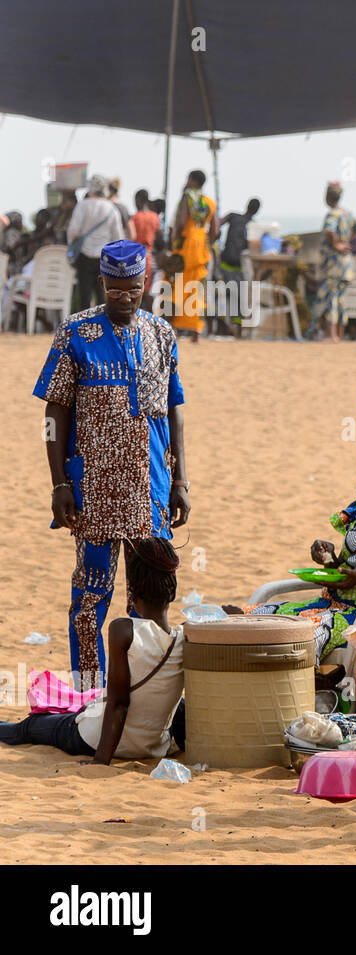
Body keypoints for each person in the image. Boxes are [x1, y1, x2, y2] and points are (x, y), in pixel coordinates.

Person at [34, 240, 190, 690]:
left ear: (146, 284)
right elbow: (55, 411)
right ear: (102, 282)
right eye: (116, 289)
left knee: (152, 600)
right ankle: (89, 693)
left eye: (134, 289)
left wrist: (181, 480)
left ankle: (148, 691)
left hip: (151, 490)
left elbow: (174, 407)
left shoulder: (162, 335)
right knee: (90, 599)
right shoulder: (75, 333)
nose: (124, 297)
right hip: (93, 492)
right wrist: (58, 482)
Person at [0, 539, 185, 763]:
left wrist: (100, 761)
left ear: (132, 592)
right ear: (172, 591)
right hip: (155, 747)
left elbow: (119, 703)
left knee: (29, 727)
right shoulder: (185, 637)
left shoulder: (124, 630)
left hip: (95, 740)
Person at [223, 491, 356, 665]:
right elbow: (342, 567)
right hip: (328, 604)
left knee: (303, 634)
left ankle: (301, 685)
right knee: (252, 616)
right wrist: (328, 556)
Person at [168, 170, 218, 343]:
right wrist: (206, 244)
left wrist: (174, 238)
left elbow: (181, 222)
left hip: (185, 246)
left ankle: (172, 328)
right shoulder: (210, 203)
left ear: (192, 181)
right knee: (197, 288)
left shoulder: (187, 197)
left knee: (175, 285)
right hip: (201, 247)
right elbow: (215, 231)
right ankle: (195, 331)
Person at [67, 175, 125, 311]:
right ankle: (102, 327)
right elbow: (118, 238)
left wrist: (73, 246)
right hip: (104, 258)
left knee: (84, 296)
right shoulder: (111, 209)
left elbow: (73, 231)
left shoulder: (82, 205)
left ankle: (84, 328)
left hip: (84, 256)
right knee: (102, 296)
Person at [317, 181, 355, 343]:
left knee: (331, 297)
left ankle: (330, 334)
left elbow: (330, 229)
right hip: (347, 263)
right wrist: (347, 240)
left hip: (334, 264)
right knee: (341, 299)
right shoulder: (347, 214)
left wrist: (336, 244)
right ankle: (339, 334)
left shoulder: (332, 214)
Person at [216, 197, 260, 335]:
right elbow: (255, 247)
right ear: (257, 210)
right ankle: (237, 331)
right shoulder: (252, 225)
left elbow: (216, 225)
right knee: (237, 299)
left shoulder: (233, 216)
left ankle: (222, 328)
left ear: (247, 205)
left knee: (220, 297)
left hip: (225, 263)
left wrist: (217, 236)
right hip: (237, 266)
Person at [129, 190, 161, 311]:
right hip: (148, 256)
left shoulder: (135, 218)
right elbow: (159, 238)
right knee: (146, 291)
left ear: (138, 200)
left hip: (134, 257)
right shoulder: (154, 217)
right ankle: (149, 320)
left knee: (133, 290)